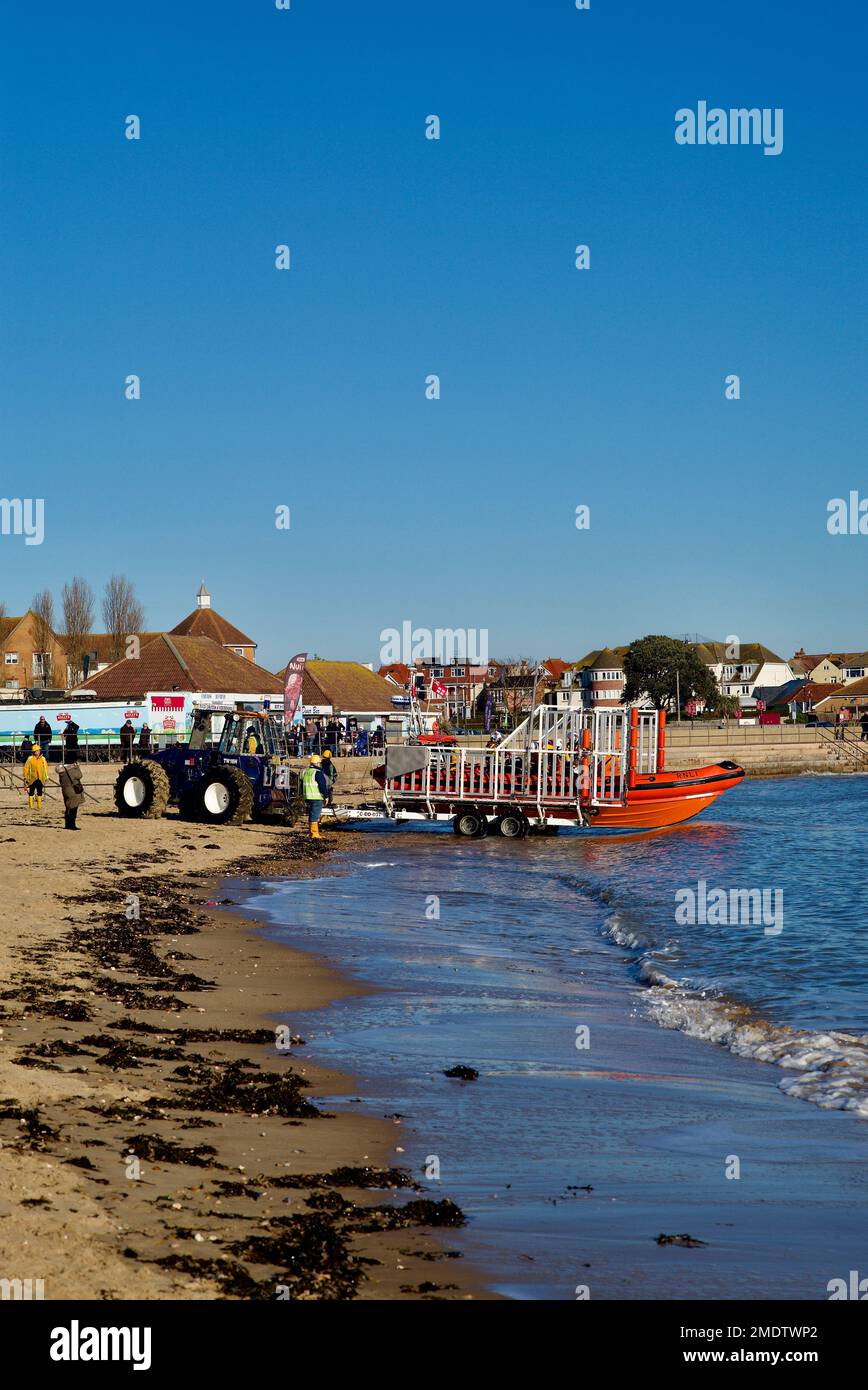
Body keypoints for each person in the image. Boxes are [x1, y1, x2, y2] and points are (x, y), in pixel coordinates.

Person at [303, 754, 329, 839]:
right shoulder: (317, 772)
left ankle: (311, 832)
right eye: (319, 763)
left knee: (311, 814)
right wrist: (326, 796)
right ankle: (314, 834)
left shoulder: (306, 771)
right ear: (317, 763)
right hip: (316, 797)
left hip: (307, 796)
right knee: (315, 815)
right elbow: (322, 786)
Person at [58, 761, 84, 830]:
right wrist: (77, 767)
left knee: (67, 808)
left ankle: (67, 824)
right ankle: (72, 825)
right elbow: (79, 775)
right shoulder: (72, 770)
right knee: (73, 808)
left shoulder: (61, 771)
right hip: (72, 791)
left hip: (65, 790)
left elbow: (60, 781)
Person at [23, 745, 49, 810]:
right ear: (34, 751)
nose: (38, 752)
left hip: (40, 778)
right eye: (37, 750)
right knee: (31, 792)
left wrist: (46, 777)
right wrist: (25, 777)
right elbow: (26, 768)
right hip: (32, 778)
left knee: (39, 792)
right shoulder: (30, 759)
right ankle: (31, 806)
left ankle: (39, 806)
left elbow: (45, 768)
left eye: (39, 750)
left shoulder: (43, 759)